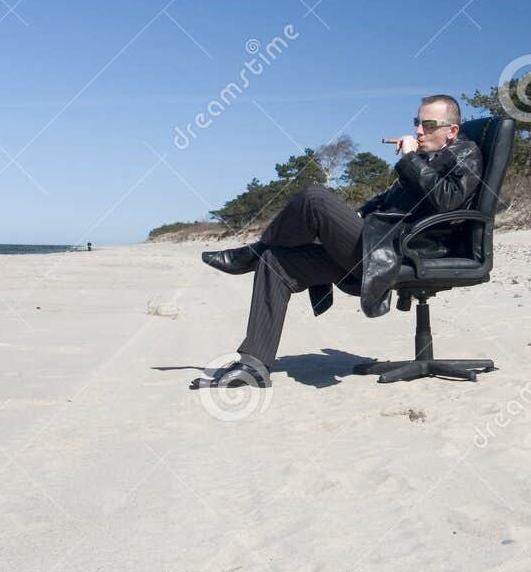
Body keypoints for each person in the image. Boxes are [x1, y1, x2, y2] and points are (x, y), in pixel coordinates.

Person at [192, 94, 483, 390]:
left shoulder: (466, 153)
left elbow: (447, 200)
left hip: (405, 251)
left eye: (428, 124)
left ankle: (251, 253)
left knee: (315, 197)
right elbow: (383, 202)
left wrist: (409, 160)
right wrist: (354, 214)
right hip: (377, 243)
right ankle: (253, 364)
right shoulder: (425, 160)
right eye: (416, 123)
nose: (419, 131)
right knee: (276, 261)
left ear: (452, 131)